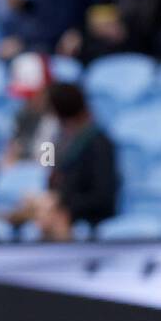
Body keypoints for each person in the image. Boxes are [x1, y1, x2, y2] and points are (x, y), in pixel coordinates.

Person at [44, 83, 119, 226]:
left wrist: (64, 205)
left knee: (50, 218)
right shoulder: (54, 141)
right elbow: (49, 177)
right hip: (59, 208)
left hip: (88, 216)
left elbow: (103, 197)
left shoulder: (99, 143)